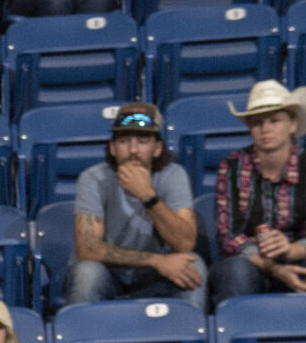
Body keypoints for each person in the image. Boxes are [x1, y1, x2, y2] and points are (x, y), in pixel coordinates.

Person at [66, 102, 206, 309]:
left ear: (157, 148)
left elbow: (184, 243)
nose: (133, 150)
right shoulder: (92, 178)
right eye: (124, 141)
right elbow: (88, 249)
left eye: (142, 141)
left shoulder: (174, 175)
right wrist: (157, 260)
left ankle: (188, 338)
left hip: (154, 276)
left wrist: (147, 194)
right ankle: (83, 339)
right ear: (112, 148)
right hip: (108, 272)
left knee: (193, 265)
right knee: (87, 272)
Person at [213, 81, 306, 300]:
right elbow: (228, 237)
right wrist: (275, 268)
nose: (265, 128)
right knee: (235, 271)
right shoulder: (232, 166)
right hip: (249, 260)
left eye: (274, 121)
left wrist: (291, 250)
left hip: (297, 254)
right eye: (257, 123)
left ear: (292, 124)